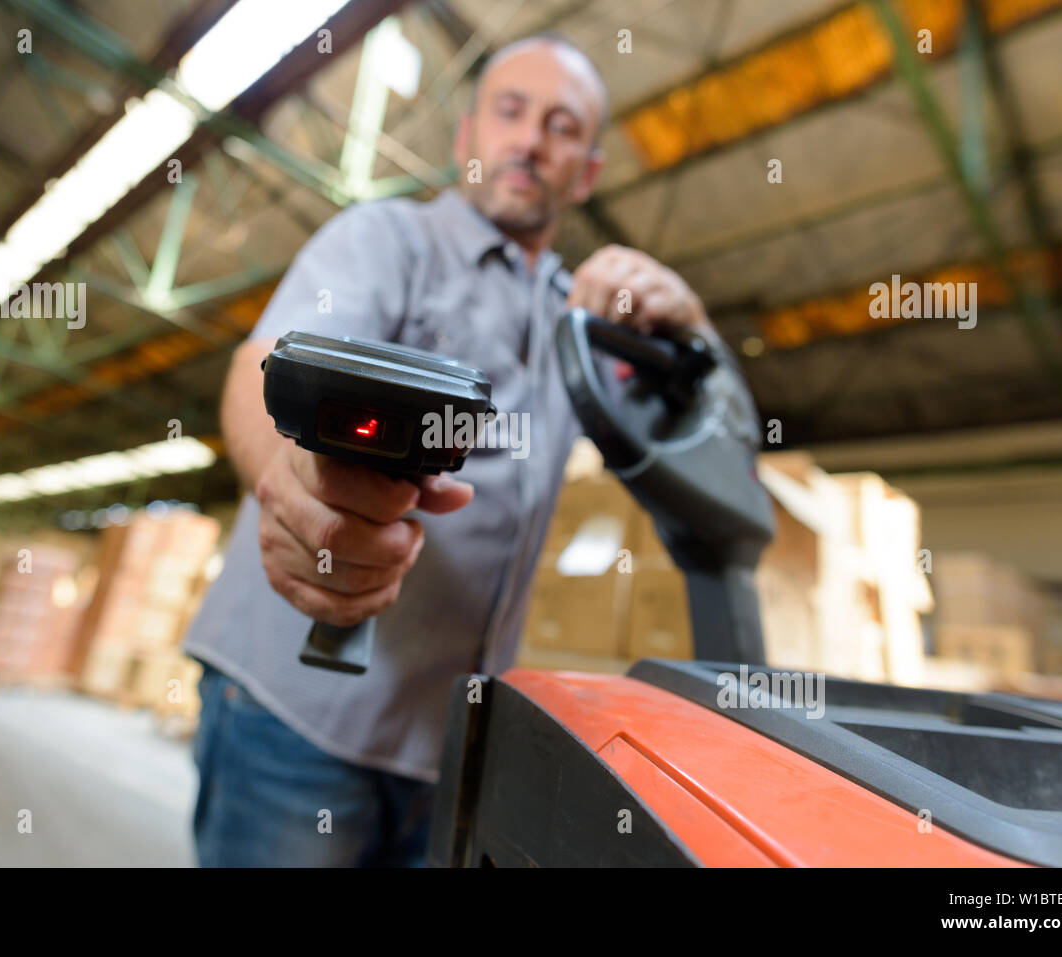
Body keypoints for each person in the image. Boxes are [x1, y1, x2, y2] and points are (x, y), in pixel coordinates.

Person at [185, 33, 732, 867]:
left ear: (586, 170)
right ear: (466, 138)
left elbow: (695, 440)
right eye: (510, 113)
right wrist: (291, 491)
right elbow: (265, 371)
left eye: (561, 125)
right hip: (296, 719)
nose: (529, 140)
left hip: (451, 751)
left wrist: (696, 334)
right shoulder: (386, 242)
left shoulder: (580, 322)